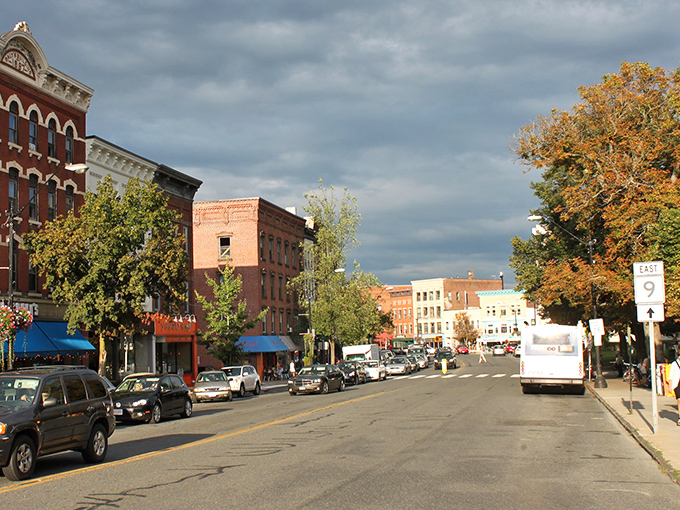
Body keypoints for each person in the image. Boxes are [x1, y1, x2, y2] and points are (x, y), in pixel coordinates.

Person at [669, 348, 680, 426]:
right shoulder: (674, 364)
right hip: (677, 384)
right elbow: (671, 376)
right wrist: (670, 386)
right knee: (679, 401)